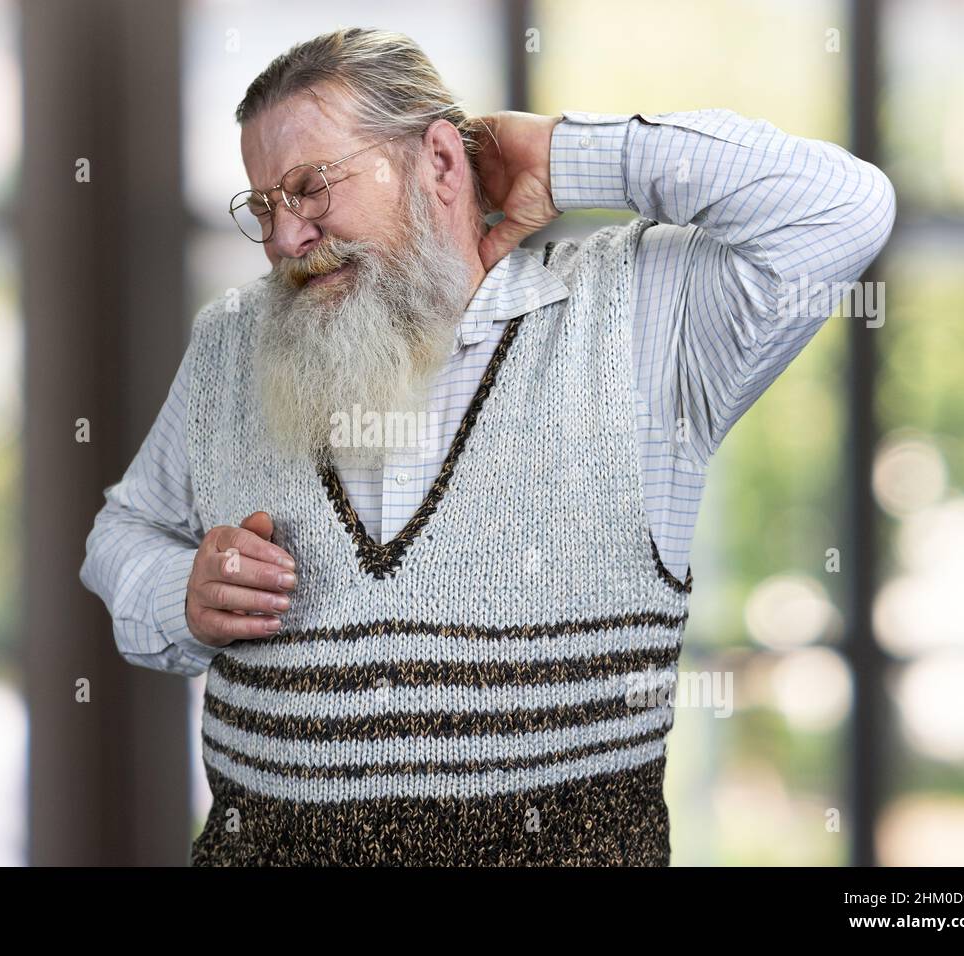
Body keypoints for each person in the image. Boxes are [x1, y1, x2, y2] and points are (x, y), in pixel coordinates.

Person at [79, 26, 895, 866]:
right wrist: (181, 590)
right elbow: (121, 532)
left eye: (311, 187)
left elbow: (842, 206)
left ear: (438, 161)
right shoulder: (232, 343)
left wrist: (568, 153)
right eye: (264, 207)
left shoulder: (641, 317)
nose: (287, 240)